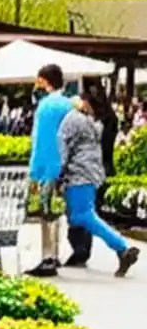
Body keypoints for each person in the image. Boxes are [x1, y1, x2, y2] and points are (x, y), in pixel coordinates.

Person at [58, 93, 139, 276]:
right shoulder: (93, 123)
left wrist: (58, 174)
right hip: (92, 174)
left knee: (82, 216)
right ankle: (84, 252)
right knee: (79, 216)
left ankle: (122, 247)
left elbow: (62, 147)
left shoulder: (72, 119)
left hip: (78, 174)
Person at [25, 65, 74, 277]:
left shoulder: (45, 107)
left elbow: (40, 141)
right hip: (68, 167)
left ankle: (47, 258)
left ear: (46, 81)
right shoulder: (70, 105)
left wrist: (34, 172)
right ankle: (55, 253)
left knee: (46, 214)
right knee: (59, 212)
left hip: (48, 167)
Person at [65, 82, 118, 267]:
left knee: (82, 213)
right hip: (103, 168)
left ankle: (83, 250)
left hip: (86, 169)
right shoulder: (109, 118)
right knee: (88, 210)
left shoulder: (89, 121)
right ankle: (82, 250)